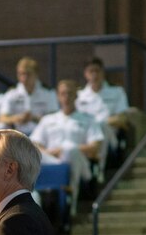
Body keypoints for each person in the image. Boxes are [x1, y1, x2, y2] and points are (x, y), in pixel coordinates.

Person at [31, 78, 103, 209]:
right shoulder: (48, 119)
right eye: (63, 93)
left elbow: (96, 146)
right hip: (54, 161)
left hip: (81, 164)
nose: (66, 97)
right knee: (30, 152)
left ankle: (71, 205)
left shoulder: (88, 119)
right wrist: (53, 152)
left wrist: (66, 150)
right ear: (58, 96)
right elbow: (35, 143)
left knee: (69, 149)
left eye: (70, 93)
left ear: (76, 96)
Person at [0, 57, 57, 136]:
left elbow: (55, 119)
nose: (24, 78)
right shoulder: (12, 93)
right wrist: (17, 118)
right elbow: (2, 118)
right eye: (21, 74)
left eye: (28, 74)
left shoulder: (48, 93)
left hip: (40, 134)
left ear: (36, 74)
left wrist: (34, 118)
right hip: (17, 133)